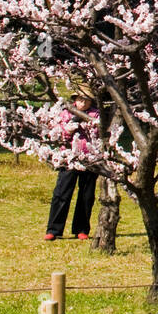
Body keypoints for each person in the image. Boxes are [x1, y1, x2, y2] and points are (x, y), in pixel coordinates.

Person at [45, 88, 100, 241]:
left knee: (86, 195)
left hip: (89, 158)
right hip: (68, 157)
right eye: (81, 99)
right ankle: (54, 229)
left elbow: (97, 132)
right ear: (75, 99)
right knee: (62, 192)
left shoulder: (95, 114)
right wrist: (70, 127)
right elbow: (59, 132)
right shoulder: (66, 113)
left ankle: (81, 229)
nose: (83, 103)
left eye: (87, 100)